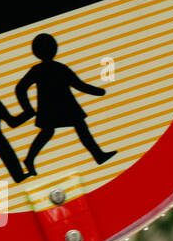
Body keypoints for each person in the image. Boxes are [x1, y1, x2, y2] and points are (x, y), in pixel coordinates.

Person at [15, 33, 115, 177]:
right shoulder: (59, 67)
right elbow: (79, 84)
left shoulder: (38, 69)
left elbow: (20, 88)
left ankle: (29, 159)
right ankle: (98, 155)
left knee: (49, 131)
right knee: (76, 126)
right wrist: (98, 91)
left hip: (51, 108)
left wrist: (28, 109)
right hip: (64, 106)